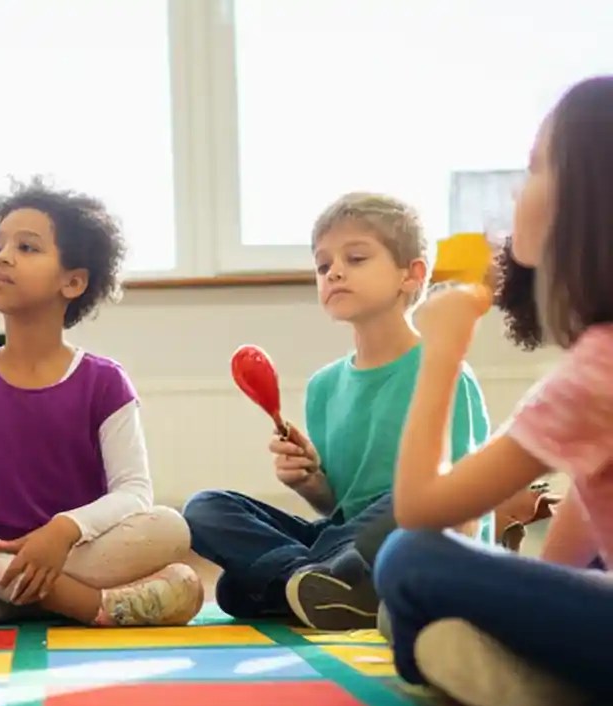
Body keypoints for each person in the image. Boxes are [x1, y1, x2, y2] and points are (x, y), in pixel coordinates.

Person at [374, 74, 613, 706]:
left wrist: (443, 353)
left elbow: (420, 509)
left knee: (409, 561)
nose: (517, 188)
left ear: (588, 197)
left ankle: (541, 673)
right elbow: (592, 503)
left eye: (535, 166)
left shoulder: (599, 367)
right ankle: (538, 665)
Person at [0, 177, 200, 628]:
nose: (3, 257)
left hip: (74, 549)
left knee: (170, 526)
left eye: (27, 248)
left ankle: (7, 596)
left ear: (73, 281)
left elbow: (133, 492)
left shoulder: (105, 382)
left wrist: (62, 530)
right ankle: (92, 605)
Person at [182, 192, 492, 630]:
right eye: (323, 265)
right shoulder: (323, 386)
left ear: (411, 274)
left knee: (242, 586)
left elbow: (459, 502)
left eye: (357, 258)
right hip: (341, 542)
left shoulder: (444, 371)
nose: (335, 272)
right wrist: (312, 483)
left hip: (414, 537)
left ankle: (291, 581)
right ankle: (322, 583)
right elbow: (337, 508)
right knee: (205, 507)